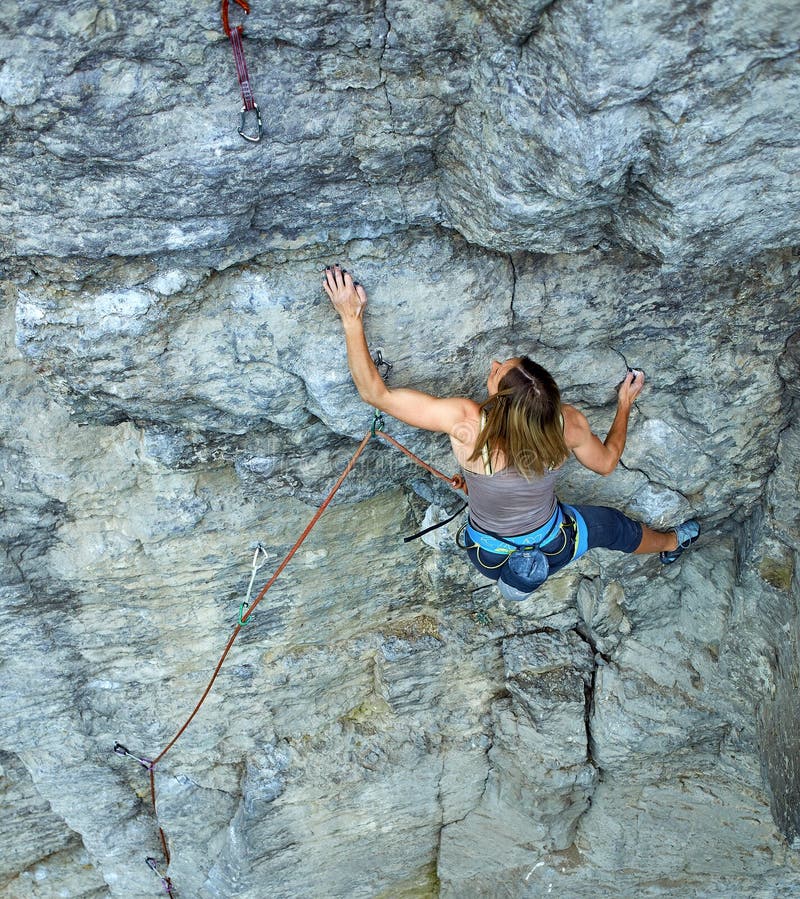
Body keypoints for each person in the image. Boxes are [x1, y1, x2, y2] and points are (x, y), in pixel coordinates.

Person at [323, 265, 700, 601]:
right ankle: (672, 542)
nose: (495, 362)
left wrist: (351, 317)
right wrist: (624, 405)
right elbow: (606, 464)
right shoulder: (567, 424)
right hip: (556, 543)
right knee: (616, 528)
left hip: (488, 553)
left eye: (500, 369)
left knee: (602, 527)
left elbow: (376, 393)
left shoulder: (469, 426)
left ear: (500, 402)